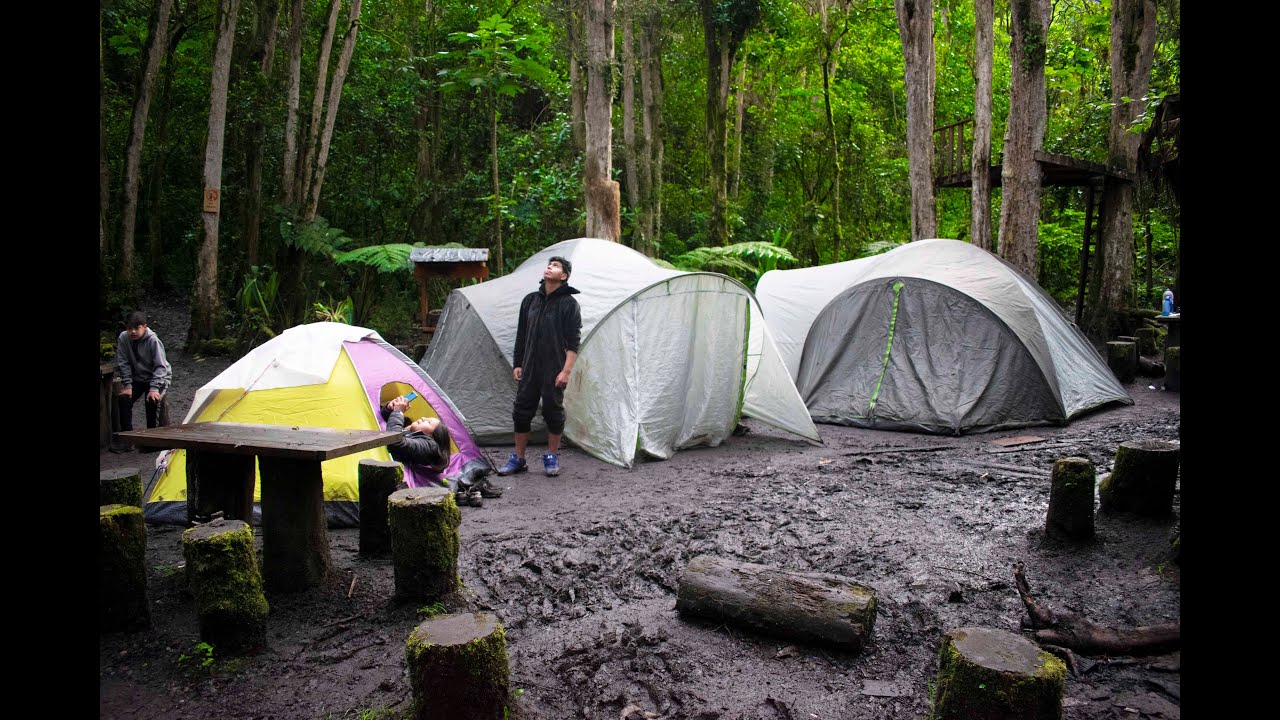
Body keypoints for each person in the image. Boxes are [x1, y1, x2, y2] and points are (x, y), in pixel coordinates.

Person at [497, 255, 582, 477]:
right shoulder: (530, 300)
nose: (549, 268)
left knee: (553, 412)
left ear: (563, 276)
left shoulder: (569, 304)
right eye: (549, 265)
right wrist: (518, 362)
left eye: (555, 266)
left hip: (554, 367)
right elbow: (521, 334)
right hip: (529, 366)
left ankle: (551, 456)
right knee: (521, 411)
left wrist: (566, 371)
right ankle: (519, 459)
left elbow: (574, 342)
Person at [382, 395, 501, 505]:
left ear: (432, 435)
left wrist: (398, 412)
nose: (422, 418)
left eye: (428, 422)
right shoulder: (411, 432)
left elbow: (395, 442)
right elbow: (386, 423)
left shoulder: (429, 446)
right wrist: (390, 408)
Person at [114, 311, 172, 449]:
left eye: (136, 328)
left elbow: (160, 366)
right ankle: (128, 439)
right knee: (124, 400)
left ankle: (151, 440)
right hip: (137, 378)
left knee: (152, 400)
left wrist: (154, 388)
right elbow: (123, 363)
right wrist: (127, 385)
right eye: (129, 328)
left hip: (158, 377)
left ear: (144, 327)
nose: (133, 331)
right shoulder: (123, 338)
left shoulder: (153, 340)